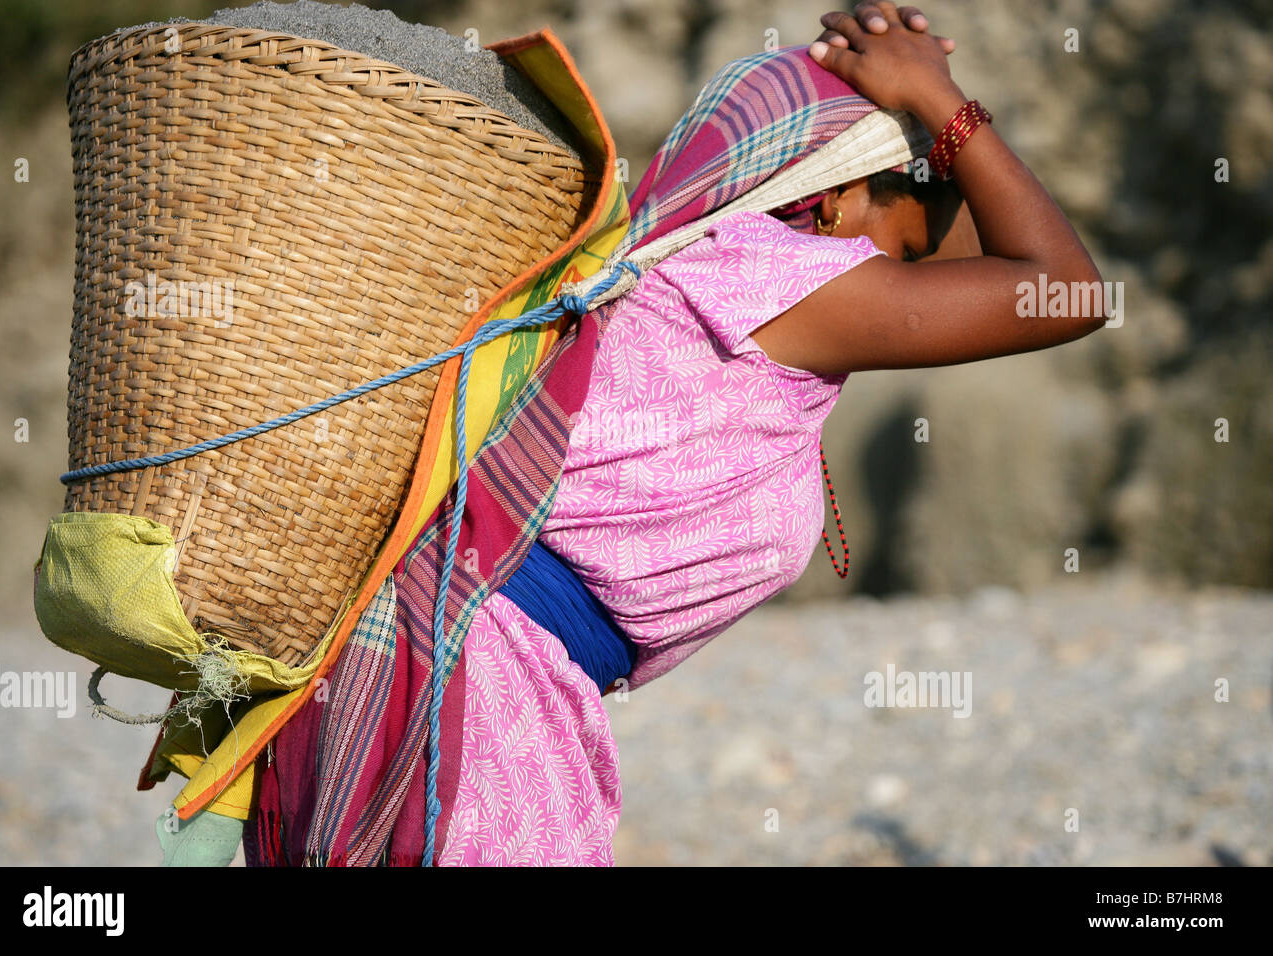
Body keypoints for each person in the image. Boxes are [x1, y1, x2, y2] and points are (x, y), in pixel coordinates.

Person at [249, 2, 1107, 866]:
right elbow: (1067, 290)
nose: (910, 269)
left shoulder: (686, 275)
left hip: (443, 664)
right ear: (834, 199)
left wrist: (929, 127)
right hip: (477, 695)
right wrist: (939, 97)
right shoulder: (785, 280)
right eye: (904, 228)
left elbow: (978, 252)